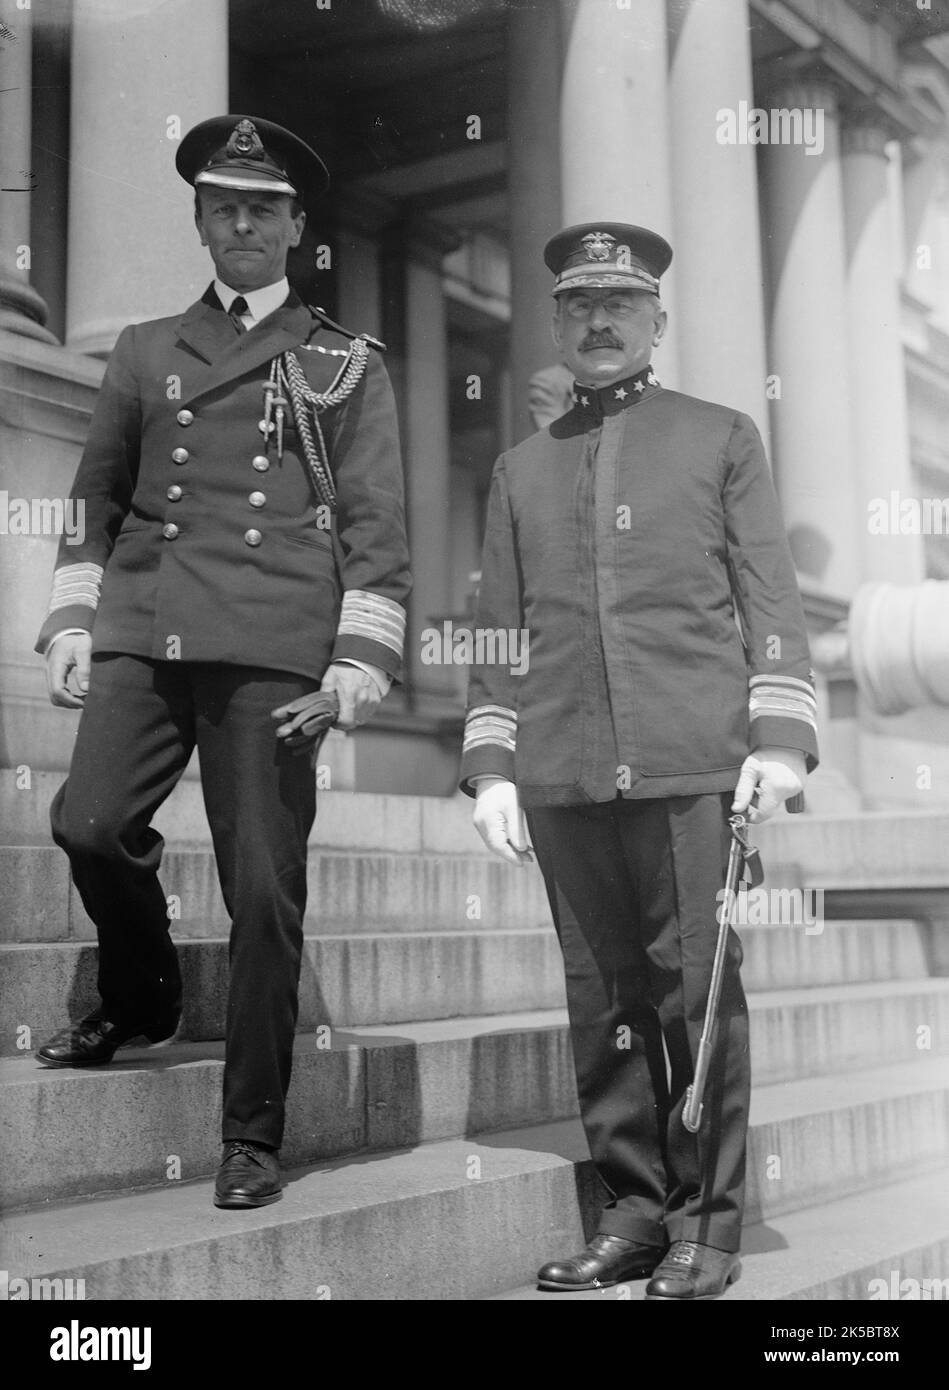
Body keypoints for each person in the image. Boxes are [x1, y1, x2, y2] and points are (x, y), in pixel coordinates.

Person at [33, 115, 411, 1210]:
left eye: (263, 208)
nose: (243, 224)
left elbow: (377, 523)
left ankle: (251, 1131)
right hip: (145, 623)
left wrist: (357, 658)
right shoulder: (144, 348)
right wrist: (71, 618)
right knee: (88, 822)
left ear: (295, 227)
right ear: (200, 223)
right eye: (223, 207)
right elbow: (96, 495)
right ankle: (144, 990)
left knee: (261, 886)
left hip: (273, 644)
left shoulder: (343, 362)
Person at [460, 222, 818, 1301]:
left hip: (690, 762)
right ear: (556, 324)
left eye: (619, 303)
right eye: (579, 305)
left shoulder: (718, 436)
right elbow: (495, 628)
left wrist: (779, 739)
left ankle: (707, 1221)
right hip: (563, 769)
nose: (600, 321)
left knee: (692, 996)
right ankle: (630, 1211)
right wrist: (493, 764)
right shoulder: (520, 468)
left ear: (656, 321)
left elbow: (769, 595)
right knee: (602, 997)